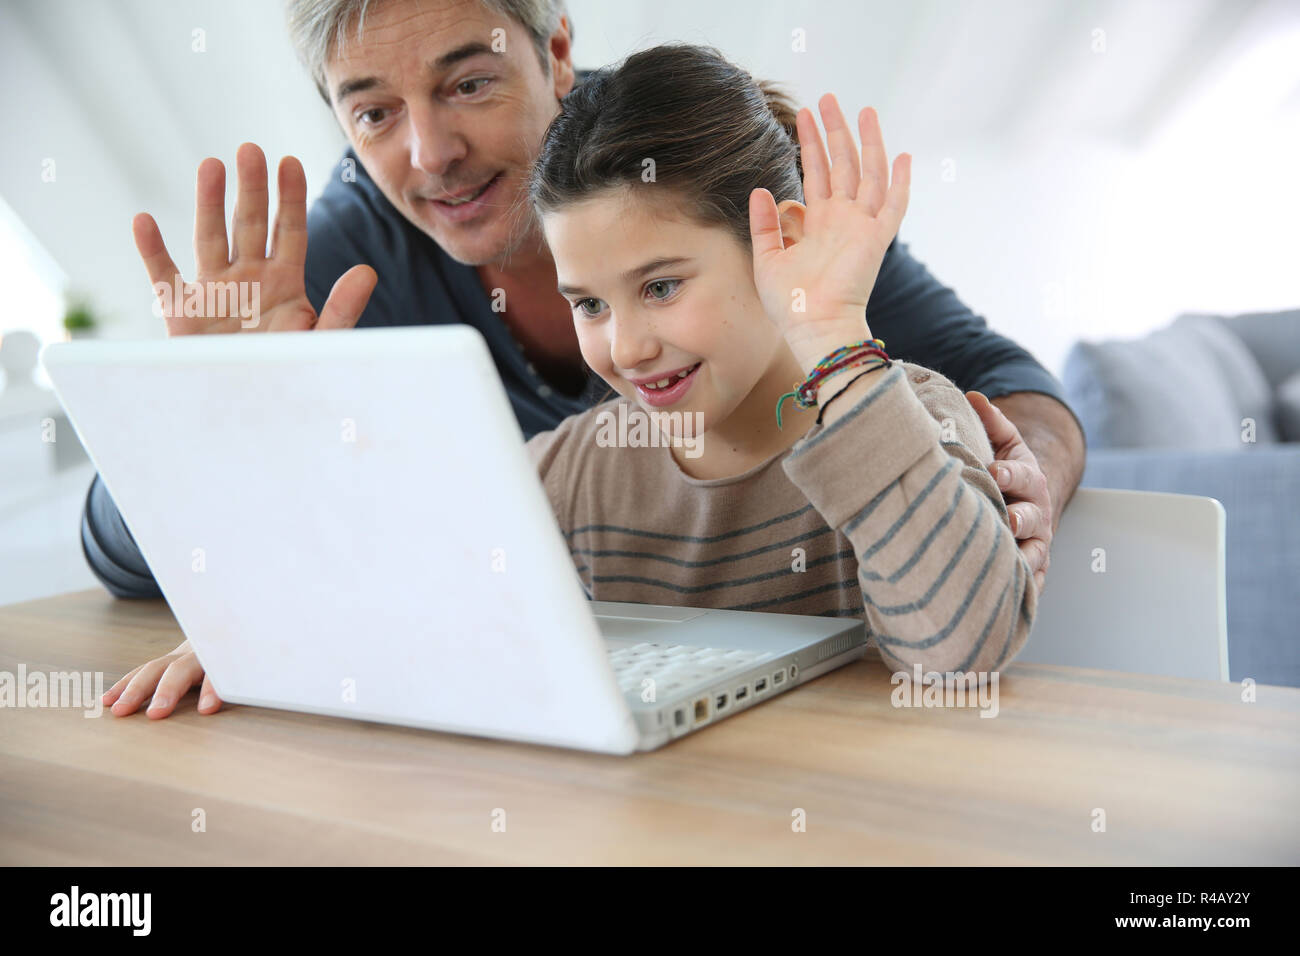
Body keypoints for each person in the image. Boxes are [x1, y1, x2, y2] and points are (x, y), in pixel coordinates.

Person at [106, 45, 1035, 719]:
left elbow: (959, 656)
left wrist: (832, 332)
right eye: (589, 303)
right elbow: (416, 584)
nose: (626, 347)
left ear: (779, 246)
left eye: (662, 286)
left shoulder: (905, 417)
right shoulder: (583, 463)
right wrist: (263, 631)